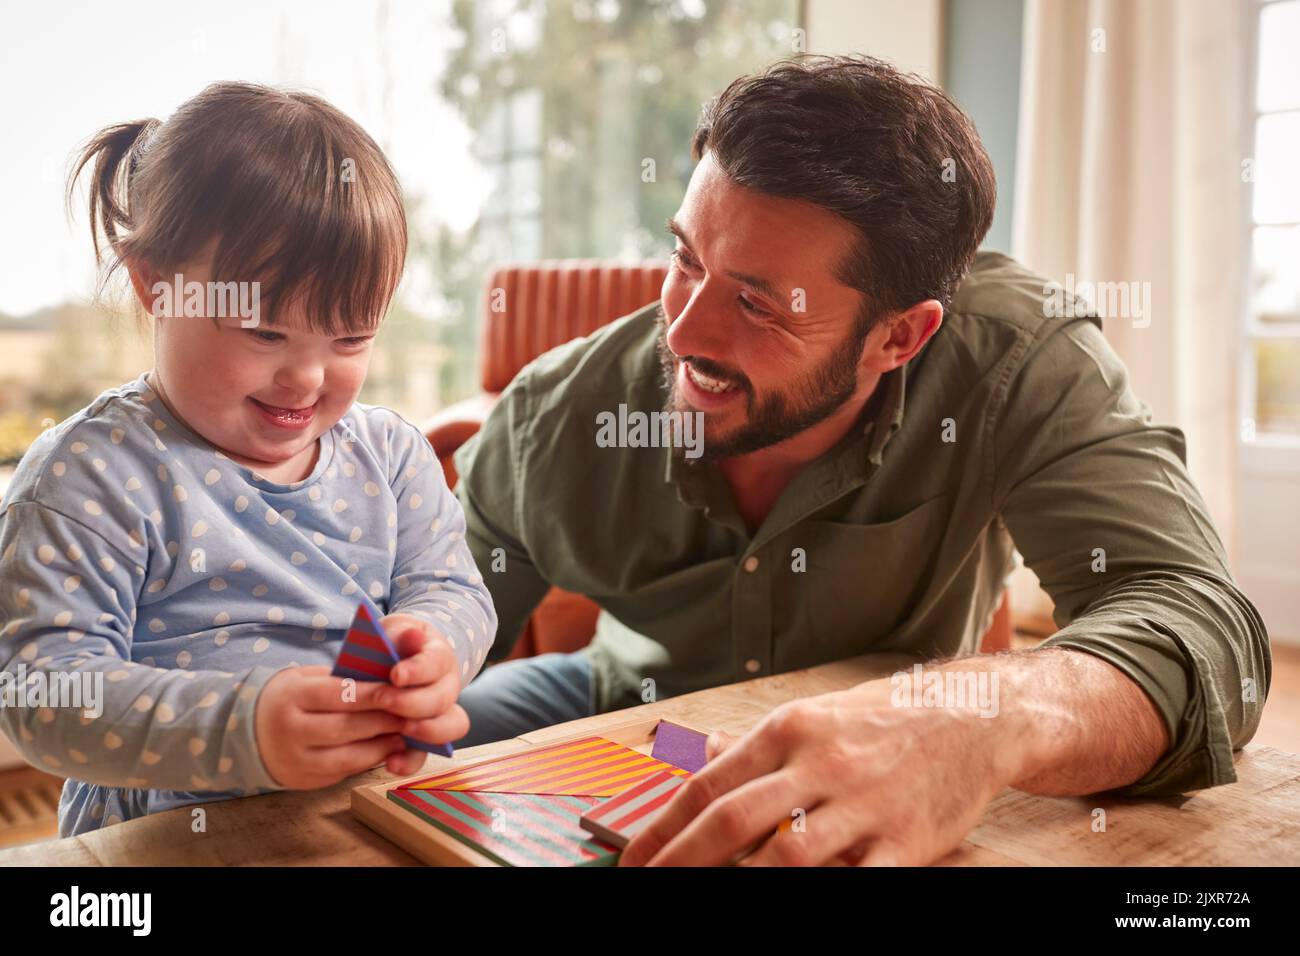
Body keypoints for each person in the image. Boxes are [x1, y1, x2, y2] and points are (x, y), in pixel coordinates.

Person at [452, 55, 1271, 866]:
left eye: (756, 303)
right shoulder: (552, 417)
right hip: (624, 701)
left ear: (900, 336)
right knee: (414, 764)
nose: (684, 333)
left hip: (898, 742)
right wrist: (354, 692)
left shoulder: (1020, 361)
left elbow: (1203, 632)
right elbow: (425, 618)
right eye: (687, 260)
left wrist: (975, 719)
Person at [0, 82, 496, 836]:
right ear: (155, 288)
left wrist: (435, 647)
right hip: (164, 840)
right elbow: (39, 695)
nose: (307, 377)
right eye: (264, 333)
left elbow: (456, 591)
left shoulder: (392, 456)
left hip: (364, 814)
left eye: (351, 338)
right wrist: (242, 730)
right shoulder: (92, 474)